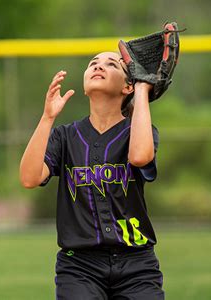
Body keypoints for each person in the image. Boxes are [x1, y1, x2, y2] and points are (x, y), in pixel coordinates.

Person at [19, 51, 164, 299]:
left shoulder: (140, 130)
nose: (99, 66)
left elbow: (140, 156)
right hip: (79, 266)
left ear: (127, 86)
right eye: (93, 64)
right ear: (85, 87)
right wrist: (47, 117)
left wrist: (143, 91)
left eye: (111, 64)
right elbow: (29, 178)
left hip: (137, 264)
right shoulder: (65, 137)